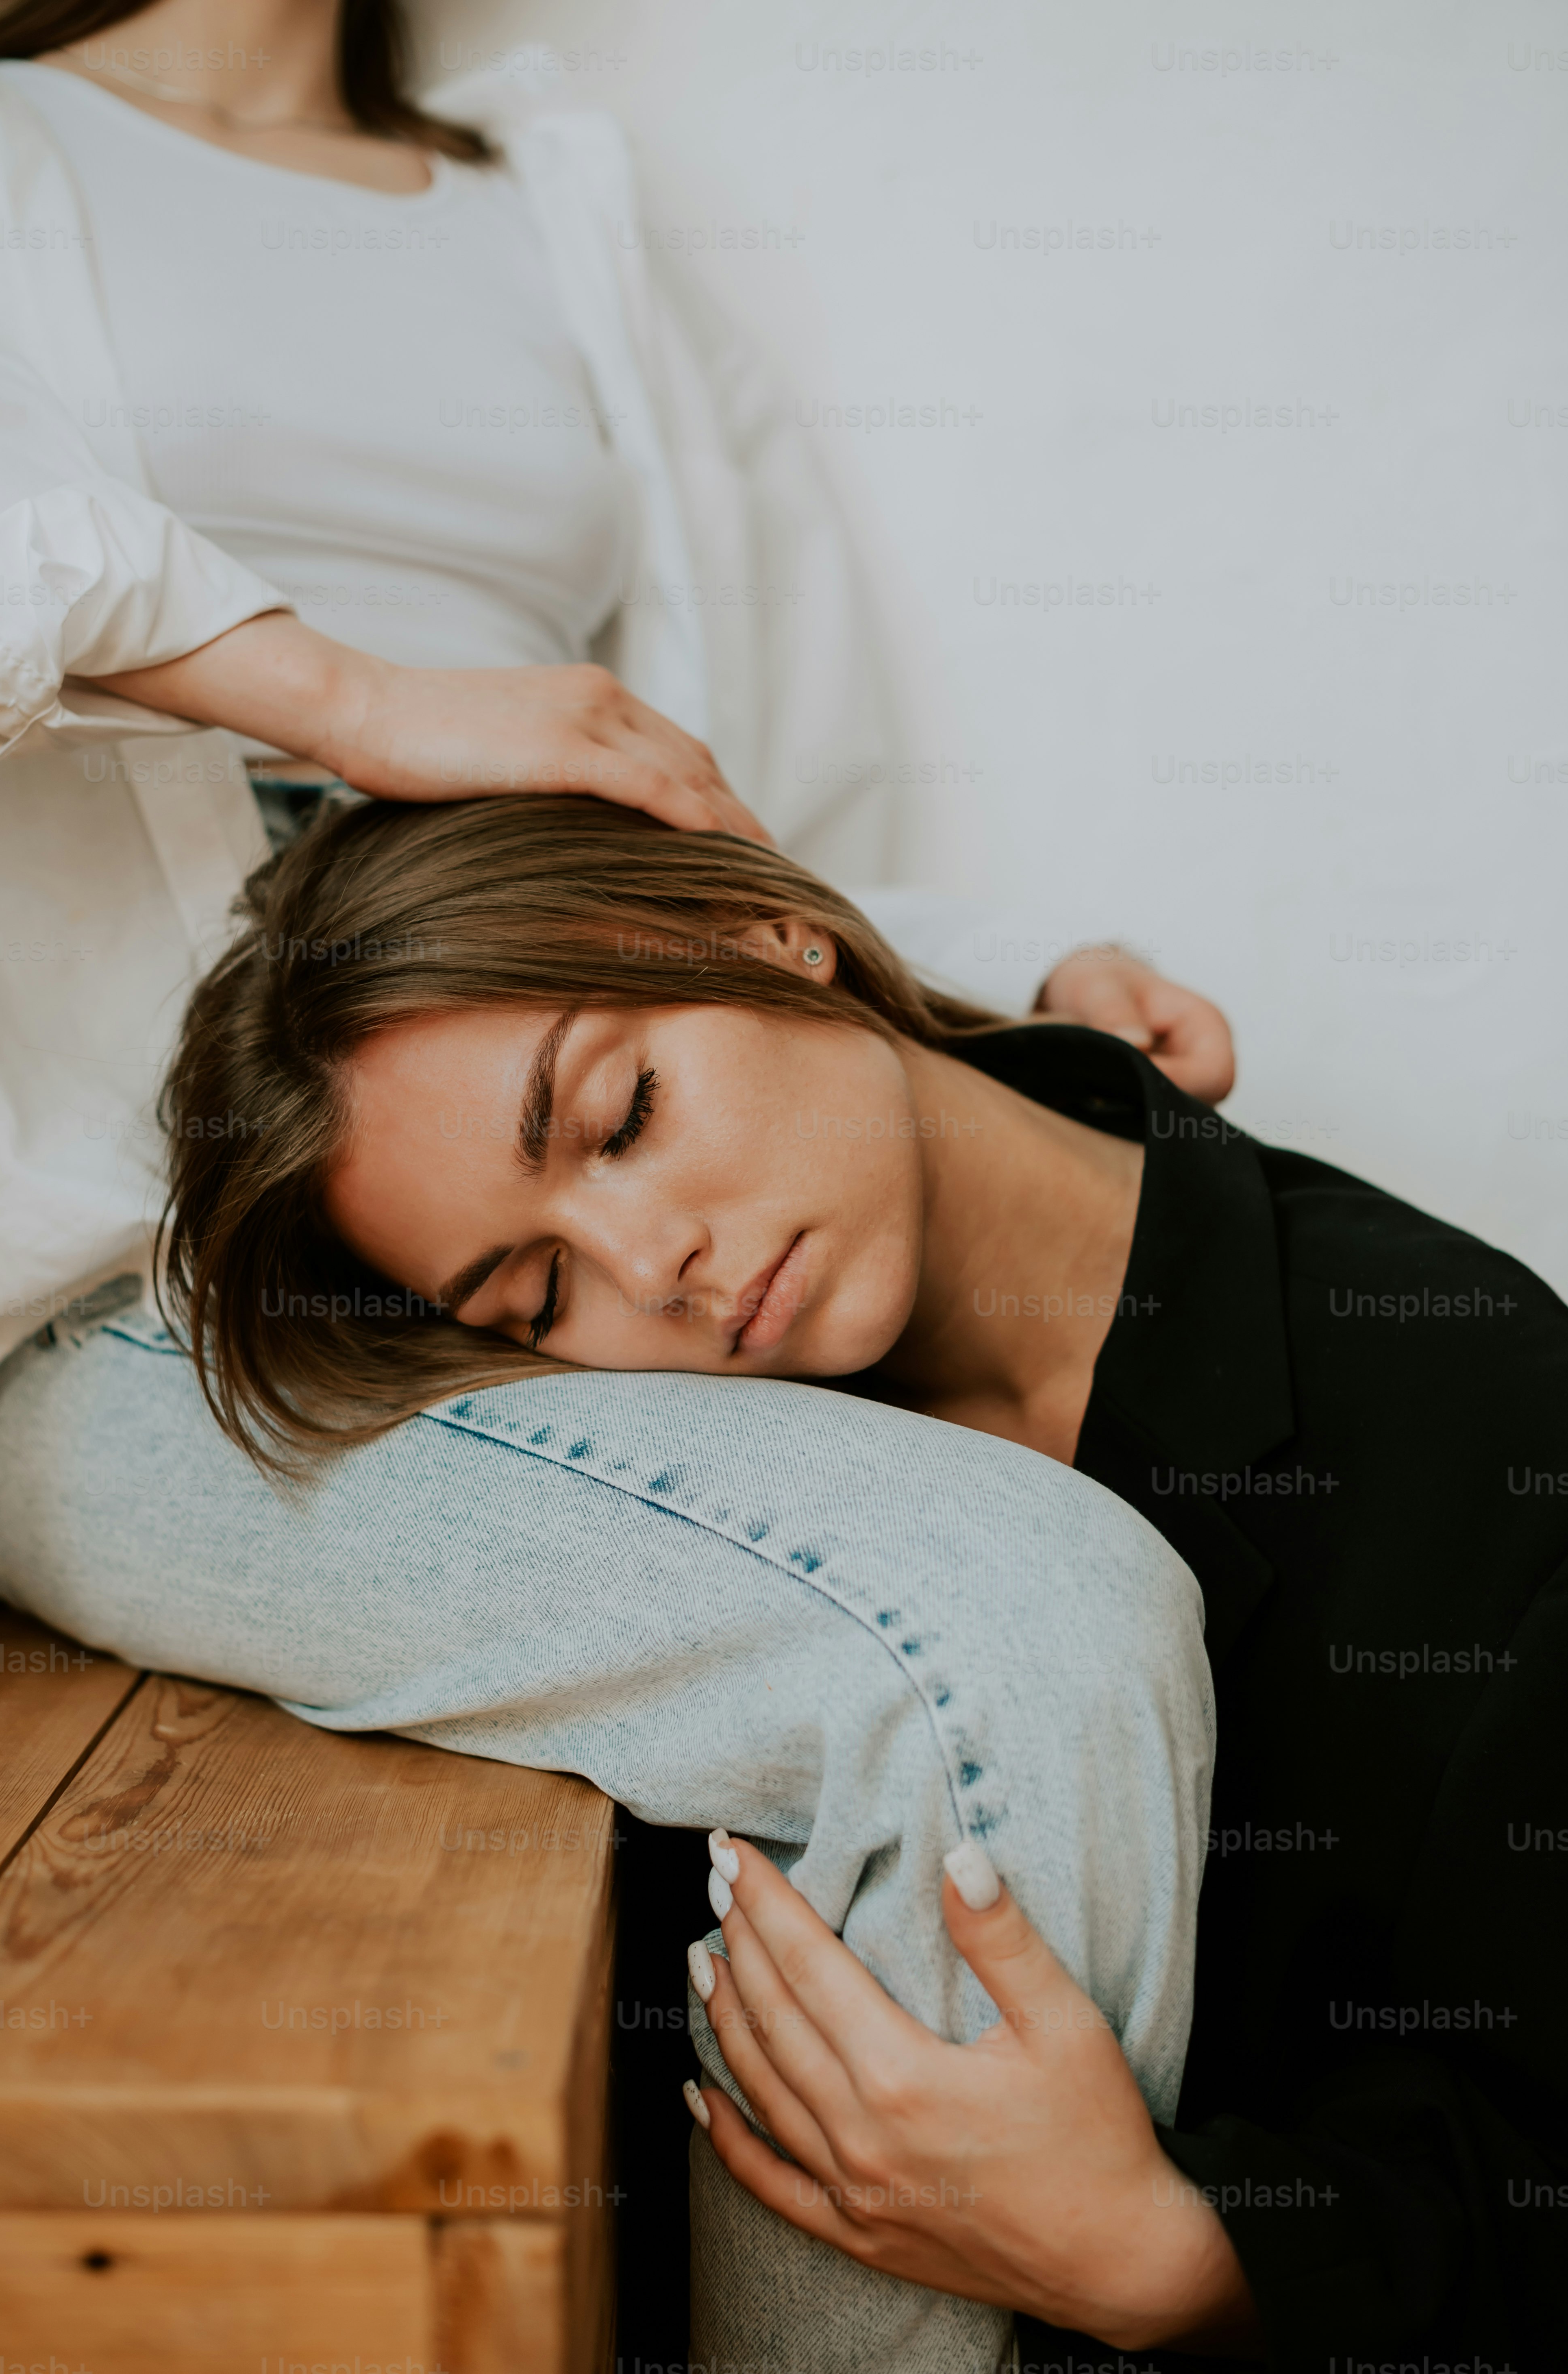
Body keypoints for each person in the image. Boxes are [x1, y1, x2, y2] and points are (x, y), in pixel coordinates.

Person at [0, 3, 1235, 2363]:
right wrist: (352, 700)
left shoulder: (541, 201)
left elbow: (714, 781)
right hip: (131, 1259)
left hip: (538, 1151)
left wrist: (990, 973)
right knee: (995, 1644)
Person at [144, 792, 1568, 2372]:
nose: (650, 1259)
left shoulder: (1486, 1426)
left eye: (621, 1115)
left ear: (773, 934)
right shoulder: (664, 1502)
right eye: (538, 1288)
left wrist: (1181, 2255)